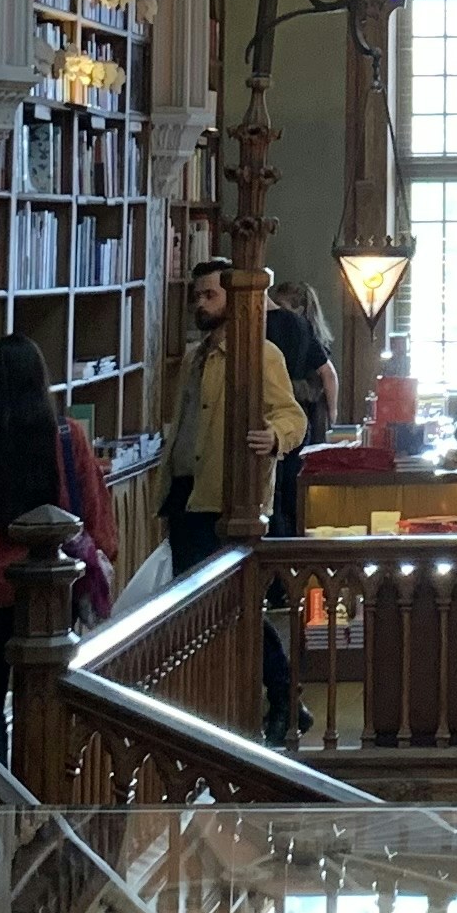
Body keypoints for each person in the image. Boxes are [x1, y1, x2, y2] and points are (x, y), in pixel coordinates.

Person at [0, 332, 116, 762]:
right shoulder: (68, 437)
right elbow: (96, 514)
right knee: (48, 699)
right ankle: (44, 796)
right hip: (53, 594)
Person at [160, 260, 307, 736]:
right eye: (197, 296)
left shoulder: (259, 355)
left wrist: (276, 438)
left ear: (233, 299)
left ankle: (283, 694)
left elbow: (292, 416)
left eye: (211, 296)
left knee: (235, 606)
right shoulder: (195, 356)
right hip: (186, 492)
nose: (201, 304)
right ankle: (216, 700)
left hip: (228, 498)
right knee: (196, 608)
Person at [264, 280, 334, 536]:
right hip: (306, 416)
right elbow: (329, 373)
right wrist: (332, 413)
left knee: (280, 490)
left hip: (287, 415)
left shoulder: (277, 330)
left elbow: (328, 374)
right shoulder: (305, 330)